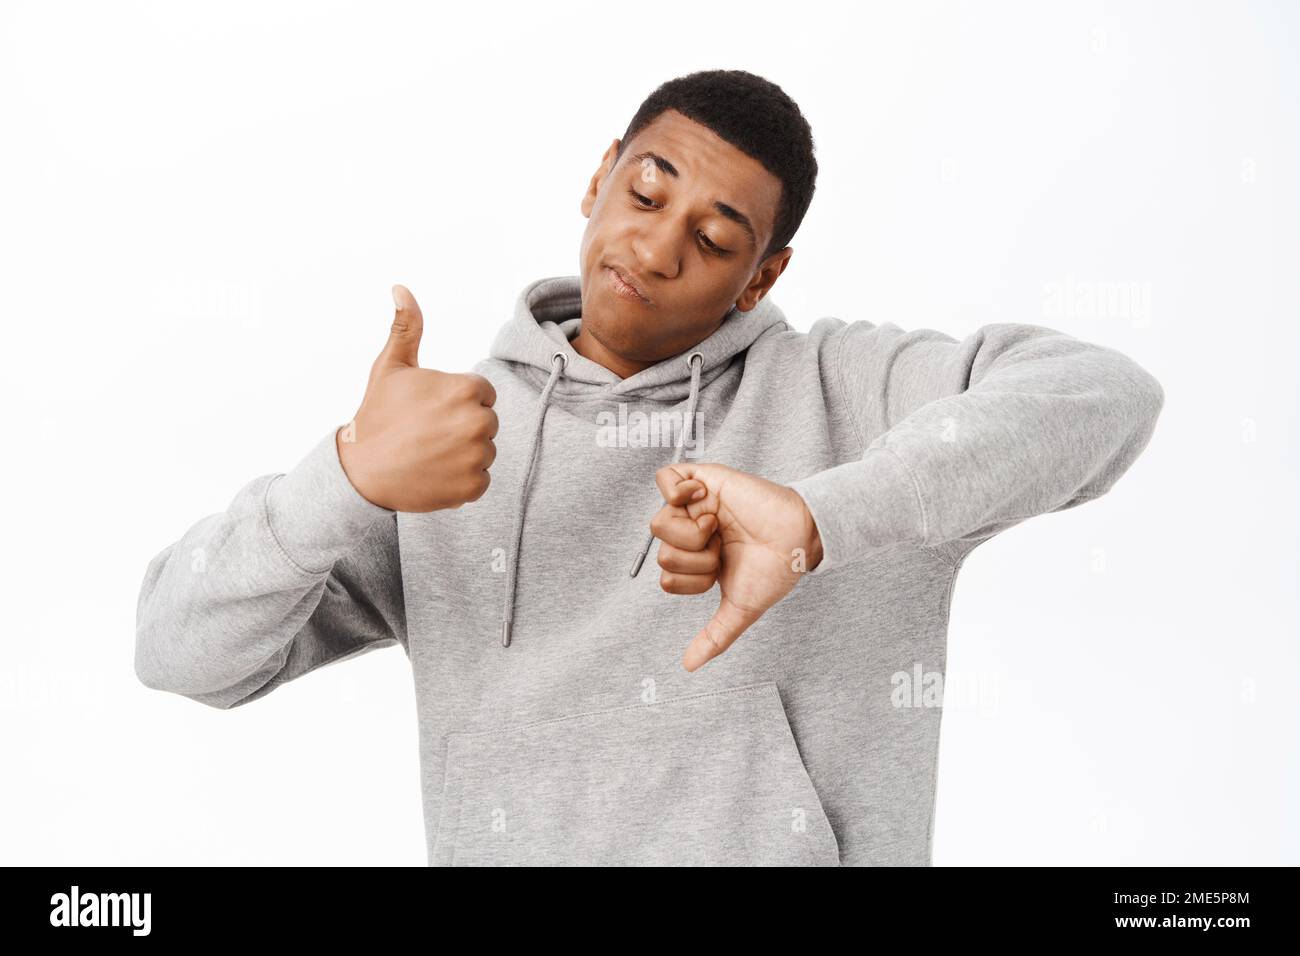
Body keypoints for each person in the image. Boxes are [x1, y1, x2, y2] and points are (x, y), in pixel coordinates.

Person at [134, 69, 1165, 866]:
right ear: (598, 177)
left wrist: (818, 516)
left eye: (713, 239)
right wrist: (348, 472)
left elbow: (1103, 397)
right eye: (644, 191)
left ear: (761, 274)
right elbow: (179, 652)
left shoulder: (840, 388)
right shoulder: (449, 442)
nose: (657, 247)